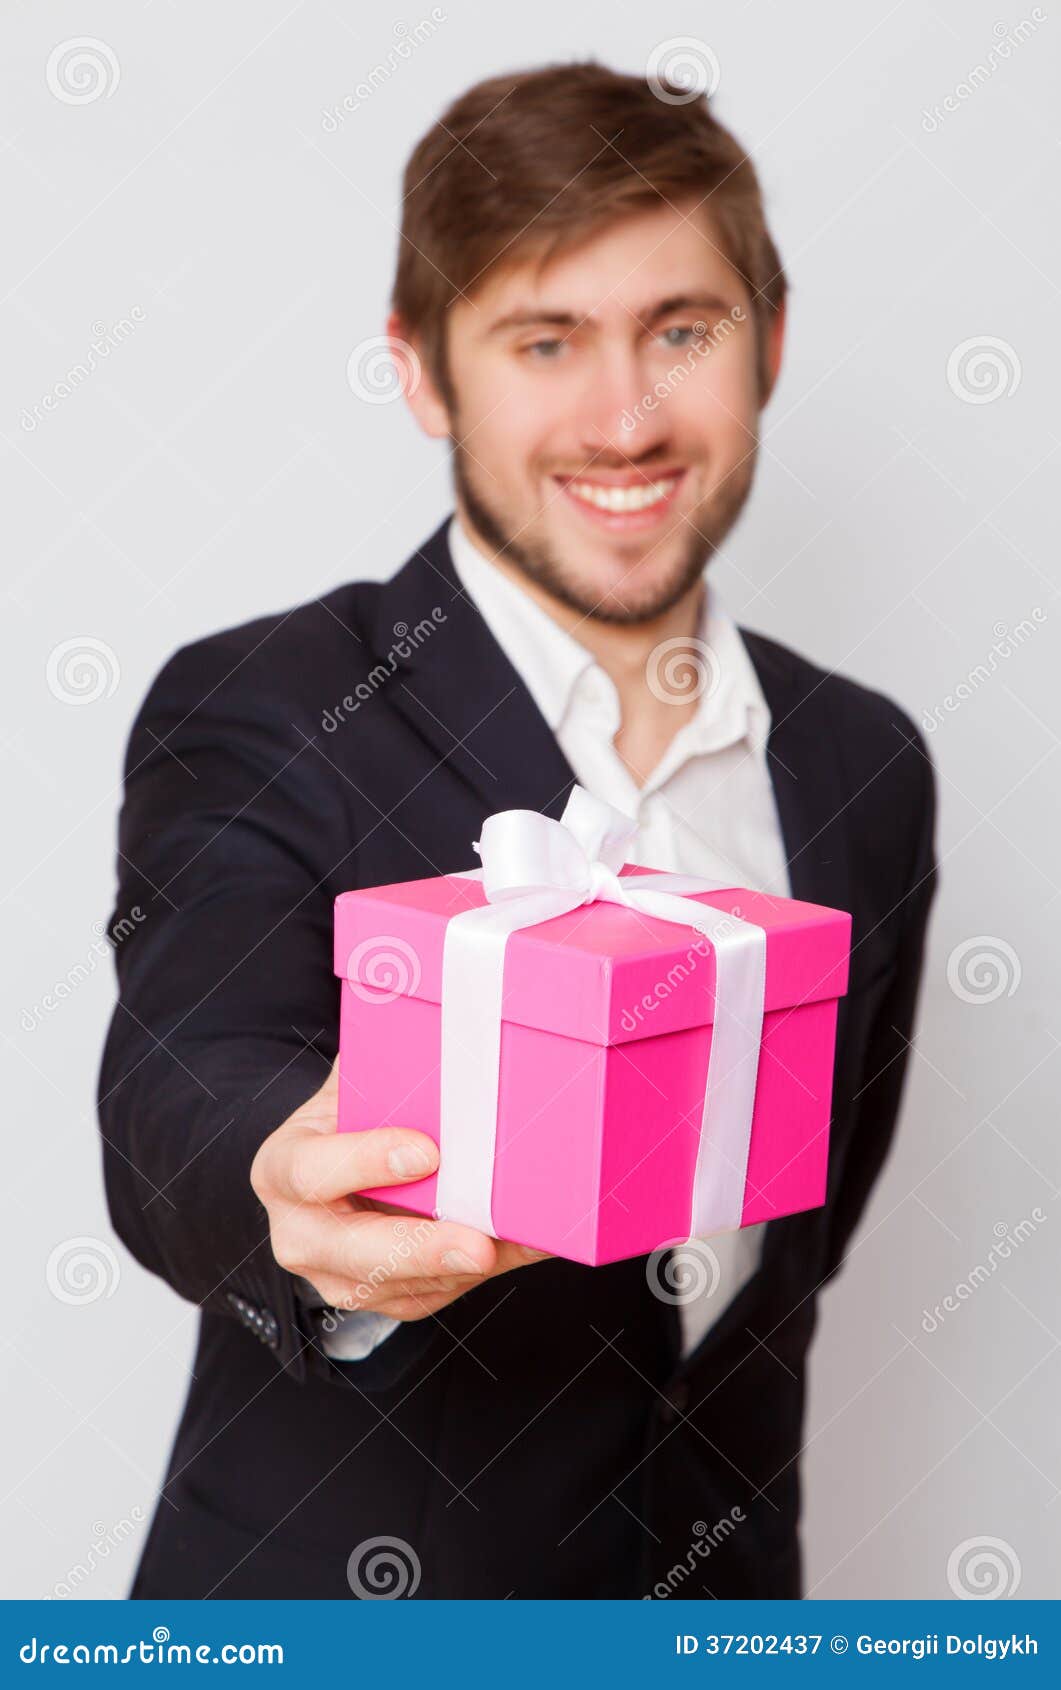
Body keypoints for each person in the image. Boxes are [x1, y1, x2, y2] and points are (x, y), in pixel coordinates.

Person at [98, 59, 937, 1599]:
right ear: (424, 372)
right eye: (545, 342)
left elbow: (782, 1259)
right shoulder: (271, 707)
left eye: (681, 330)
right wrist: (282, 1175)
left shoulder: (865, 766)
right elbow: (182, 1074)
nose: (626, 417)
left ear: (772, 338)